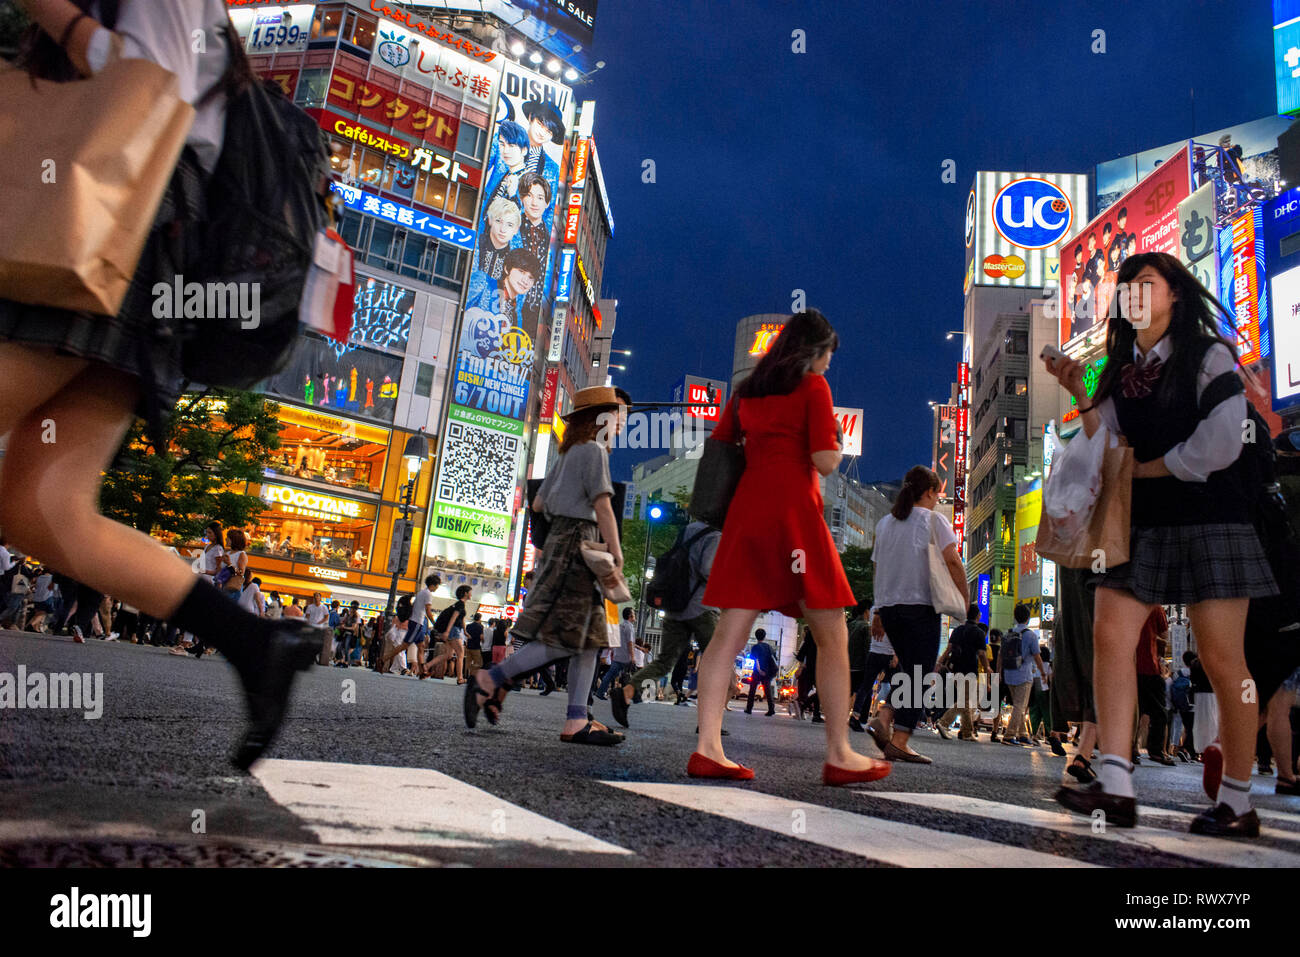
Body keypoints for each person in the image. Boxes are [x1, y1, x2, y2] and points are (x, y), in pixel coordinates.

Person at [0, 0, 324, 769]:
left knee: (41, 503)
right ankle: (253, 641)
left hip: (114, 224)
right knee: (41, 505)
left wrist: (52, 13)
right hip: (122, 234)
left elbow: (154, 80)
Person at [1047, 252, 1278, 837]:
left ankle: (1237, 802)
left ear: (1175, 294)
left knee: (1225, 662)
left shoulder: (1209, 354)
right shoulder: (1120, 367)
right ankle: (1117, 784)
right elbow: (1108, 443)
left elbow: (1225, 437)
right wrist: (1078, 391)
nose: (1134, 294)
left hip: (1211, 518)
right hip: (1140, 524)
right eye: (1126, 288)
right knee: (1108, 634)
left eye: (1145, 284)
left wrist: (1156, 469)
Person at [690, 309, 888, 785]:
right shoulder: (812, 387)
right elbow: (823, 461)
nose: (826, 368)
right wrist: (835, 443)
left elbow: (721, 448)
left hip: (749, 515)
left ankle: (708, 748)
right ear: (813, 352)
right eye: (826, 358)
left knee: (728, 633)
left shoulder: (746, 394)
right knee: (832, 631)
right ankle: (839, 751)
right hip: (795, 514)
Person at [464, 387, 629, 744]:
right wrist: (615, 552)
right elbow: (603, 507)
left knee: (589, 639)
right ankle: (491, 679)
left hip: (559, 542)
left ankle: (575, 720)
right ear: (600, 418)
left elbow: (538, 504)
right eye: (618, 416)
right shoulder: (594, 452)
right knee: (569, 637)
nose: (621, 424)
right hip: (579, 544)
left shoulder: (568, 453)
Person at [868, 466, 970, 764]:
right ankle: (899, 739)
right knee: (921, 675)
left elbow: (879, 569)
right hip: (920, 609)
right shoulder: (934, 520)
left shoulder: (885, 524)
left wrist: (877, 612)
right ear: (929, 492)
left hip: (889, 610)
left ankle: (885, 716)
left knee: (910, 670)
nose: (938, 499)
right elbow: (953, 561)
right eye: (937, 493)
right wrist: (963, 598)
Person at [609, 516, 719, 729]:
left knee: (664, 661)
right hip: (702, 608)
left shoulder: (688, 530)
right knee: (717, 662)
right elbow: (708, 569)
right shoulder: (715, 534)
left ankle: (626, 693)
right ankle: (709, 722)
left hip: (675, 607)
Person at [936, 604, 989, 741]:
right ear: (978, 616)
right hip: (970, 670)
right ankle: (943, 722)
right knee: (964, 701)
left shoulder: (958, 630)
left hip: (955, 670)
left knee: (966, 701)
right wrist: (987, 668)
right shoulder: (978, 633)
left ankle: (966, 732)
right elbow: (982, 654)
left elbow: (949, 649)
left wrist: (940, 663)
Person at [999, 604, 1042, 747]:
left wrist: (1000, 672)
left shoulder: (1008, 633)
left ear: (1015, 617)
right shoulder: (1030, 635)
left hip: (1009, 673)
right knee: (1020, 706)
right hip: (1024, 675)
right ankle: (1009, 734)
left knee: (1019, 705)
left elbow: (1001, 655)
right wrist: (1043, 672)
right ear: (1028, 618)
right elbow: (1037, 655)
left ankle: (1023, 734)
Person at [850, 607, 896, 732]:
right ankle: (886, 718)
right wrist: (897, 654)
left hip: (874, 652)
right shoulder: (893, 608)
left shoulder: (873, 610)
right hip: (888, 653)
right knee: (896, 686)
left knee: (866, 686)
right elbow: (897, 632)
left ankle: (856, 716)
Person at [428, 584, 471, 683]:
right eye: (470, 592)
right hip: (454, 630)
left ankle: (427, 666)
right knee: (460, 653)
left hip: (453, 630)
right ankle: (460, 678)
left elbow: (461, 618)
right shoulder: (460, 604)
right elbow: (454, 618)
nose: (471, 594)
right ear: (465, 593)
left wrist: (464, 631)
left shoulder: (459, 604)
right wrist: (447, 631)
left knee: (448, 655)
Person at [594, 607, 635, 700]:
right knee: (625, 675)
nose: (634, 615)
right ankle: (628, 695)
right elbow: (630, 643)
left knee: (611, 674)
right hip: (625, 656)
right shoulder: (629, 627)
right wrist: (632, 656)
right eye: (633, 614)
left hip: (618, 654)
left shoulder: (620, 626)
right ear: (630, 615)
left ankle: (601, 692)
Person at [795, 627, 822, 722]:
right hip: (820, 665)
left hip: (810, 666)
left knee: (809, 690)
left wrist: (801, 667)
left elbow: (803, 651)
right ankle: (806, 707)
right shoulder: (826, 631)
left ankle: (804, 706)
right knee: (821, 691)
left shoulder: (811, 632)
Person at [304, 592, 331, 665]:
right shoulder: (310, 607)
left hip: (319, 628)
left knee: (317, 644)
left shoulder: (323, 607)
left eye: (317, 596)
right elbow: (307, 616)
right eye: (315, 596)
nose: (316, 598)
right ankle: (311, 658)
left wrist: (321, 622)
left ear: (320, 598)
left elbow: (326, 616)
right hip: (311, 627)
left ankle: (315, 657)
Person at [463, 612, 486, 677]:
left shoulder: (468, 626)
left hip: (468, 646)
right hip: (476, 647)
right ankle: (473, 676)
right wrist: (483, 641)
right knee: (478, 663)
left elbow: (466, 636)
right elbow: (481, 637)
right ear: (480, 618)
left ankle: (465, 675)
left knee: (467, 662)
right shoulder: (480, 626)